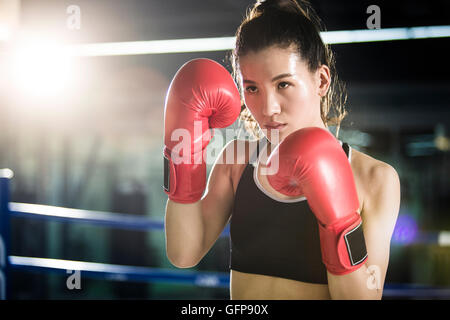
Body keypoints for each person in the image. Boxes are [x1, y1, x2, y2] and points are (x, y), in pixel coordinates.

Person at [164, 0, 400, 300]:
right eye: (252, 88)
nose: (268, 108)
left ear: (322, 80)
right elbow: (183, 254)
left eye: (284, 85)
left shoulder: (375, 178)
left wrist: (338, 218)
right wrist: (179, 151)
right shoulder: (237, 160)